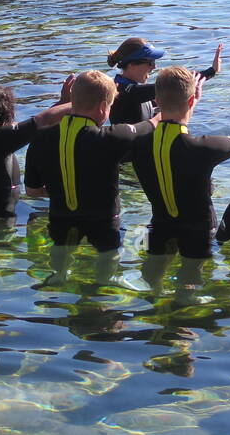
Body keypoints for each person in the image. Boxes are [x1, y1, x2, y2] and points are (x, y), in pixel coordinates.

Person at [129, 66, 230, 261]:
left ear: (157, 101)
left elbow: (167, 135)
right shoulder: (202, 148)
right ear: (192, 101)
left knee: (152, 282)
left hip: (158, 230)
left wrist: (189, 102)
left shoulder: (137, 145)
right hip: (198, 237)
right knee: (190, 285)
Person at [24, 71, 158, 279]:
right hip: (103, 226)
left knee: (58, 271)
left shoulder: (41, 138)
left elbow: (32, 191)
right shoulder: (111, 138)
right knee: (105, 277)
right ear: (103, 107)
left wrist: (66, 189)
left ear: (72, 99)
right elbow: (150, 125)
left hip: (60, 222)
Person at [0, 77, 75, 218]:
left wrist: (61, 103)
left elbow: (28, 126)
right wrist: (78, 103)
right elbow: (43, 121)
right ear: (2, 111)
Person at [107, 37, 222, 125]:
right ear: (132, 64)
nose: (154, 67)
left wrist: (212, 71)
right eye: (150, 62)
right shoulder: (121, 91)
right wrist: (210, 72)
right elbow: (174, 84)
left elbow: (177, 83)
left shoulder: (136, 90)